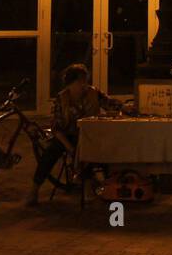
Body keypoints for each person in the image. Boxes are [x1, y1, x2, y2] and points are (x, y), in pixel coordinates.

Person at [26, 64, 121, 206]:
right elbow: (57, 128)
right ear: (71, 83)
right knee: (50, 153)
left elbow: (110, 104)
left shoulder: (93, 93)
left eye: (85, 80)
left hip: (90, 135)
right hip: (67, 135)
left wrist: (124, 107)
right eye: (80, 81)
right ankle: (34, 189)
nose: (84, 84)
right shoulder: (62, 98)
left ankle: (88, 187)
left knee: (90, 148)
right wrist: (69, 148)